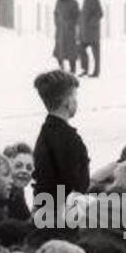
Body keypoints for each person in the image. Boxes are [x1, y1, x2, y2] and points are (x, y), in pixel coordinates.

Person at [32, 70, 89, 204]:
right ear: (67, 102)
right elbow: (76, 186)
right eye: (75, 97)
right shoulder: (69, 138)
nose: (76, 102)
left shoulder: (45, 133)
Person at [2, 142, 35, 221]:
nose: (24, 171)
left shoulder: (19, 195)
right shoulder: (2, 196)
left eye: (29, 168)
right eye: (18, 166)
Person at [53, 0, 81, 72]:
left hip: (70, 31)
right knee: (59, 51)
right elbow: (55, 13)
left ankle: (73, 69)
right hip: (60, 31)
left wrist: (72, 24)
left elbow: (77, 16)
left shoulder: (73, 2)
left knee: (71, 51)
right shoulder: (59, 2)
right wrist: (57, 23)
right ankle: (61, 68)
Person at [78, 0, 103, 77]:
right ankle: (85, 69)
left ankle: (96, 72)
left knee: (96, 54)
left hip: (93, 33)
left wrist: (91, 23)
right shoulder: (85, 0)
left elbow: (100, 13)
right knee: (80, 49)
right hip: (85, 33)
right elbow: (83, 16)